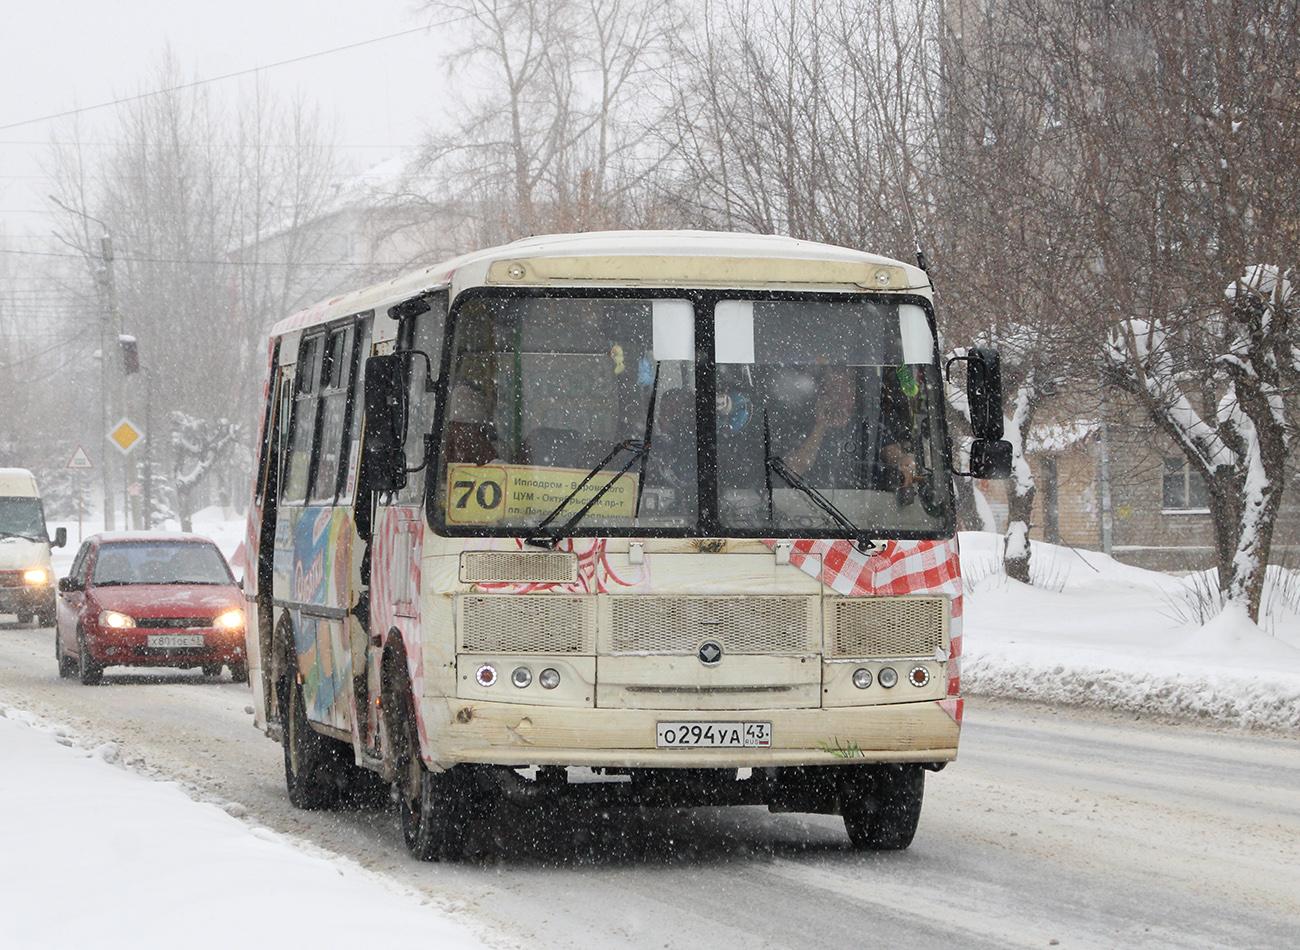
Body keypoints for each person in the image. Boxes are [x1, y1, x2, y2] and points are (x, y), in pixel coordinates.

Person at [780, 365, 916, 489]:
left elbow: (892, 452)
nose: (840, 395)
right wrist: (820, 426)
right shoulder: (805, 423)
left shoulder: (867, 420)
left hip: (867, 503)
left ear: (855, 392)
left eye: (846, 387)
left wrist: (904, 464)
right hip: (813, 502)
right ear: (822, 392)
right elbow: (793, 471)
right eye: (833, 388)